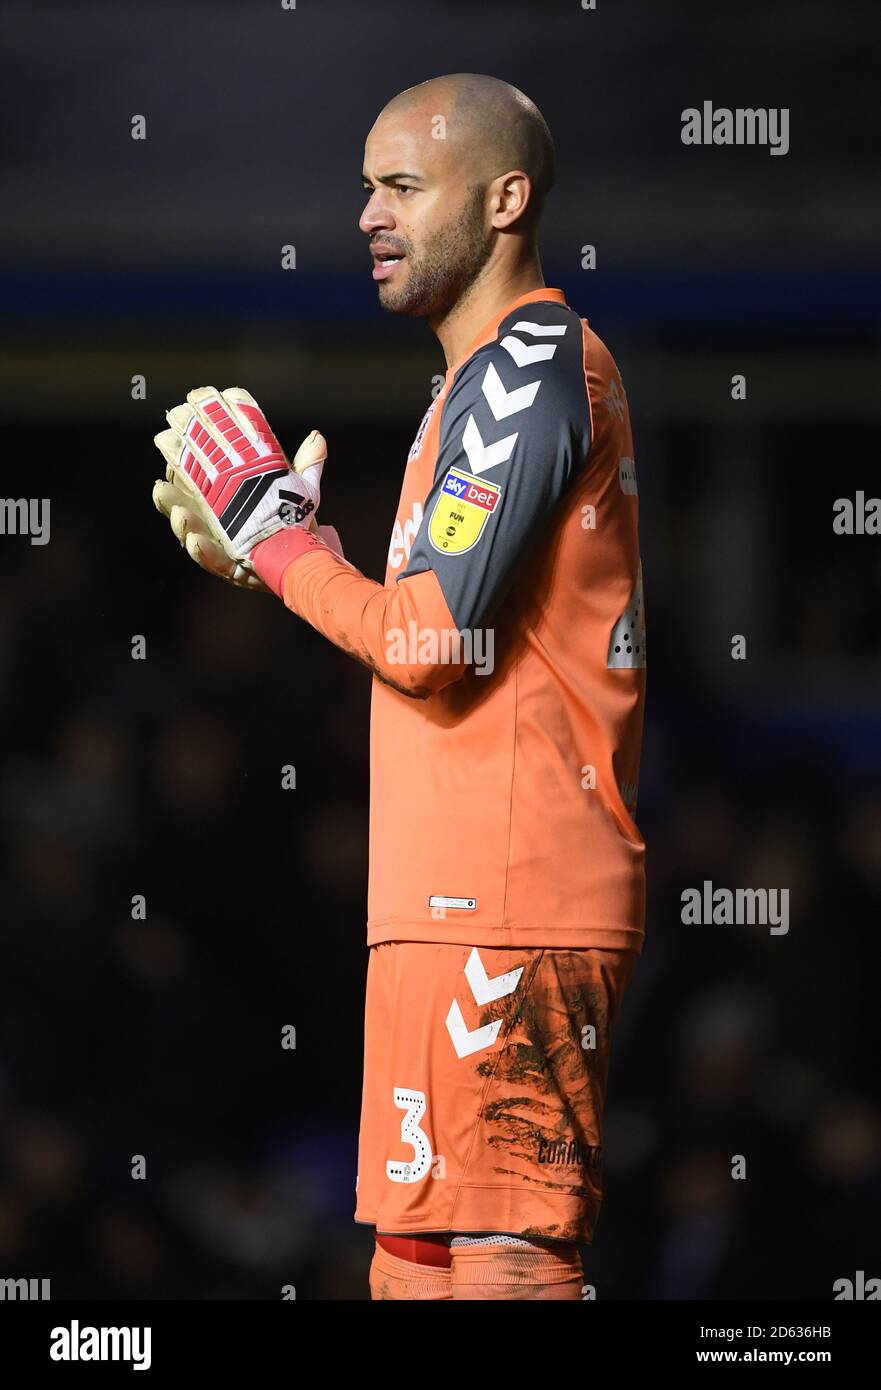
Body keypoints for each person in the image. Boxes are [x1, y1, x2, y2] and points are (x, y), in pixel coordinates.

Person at [156, 72, 646, 1300]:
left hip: (511, 902)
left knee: (499, 1263)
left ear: (503, 199)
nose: (366, 214)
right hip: (443, 902)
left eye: (399, 186)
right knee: (413, 1261)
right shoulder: (473, 382)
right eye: (363, 188)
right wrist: (286, 562)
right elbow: (417, 628)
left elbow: (423, 645)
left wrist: (280, 545)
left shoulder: (533, 359)